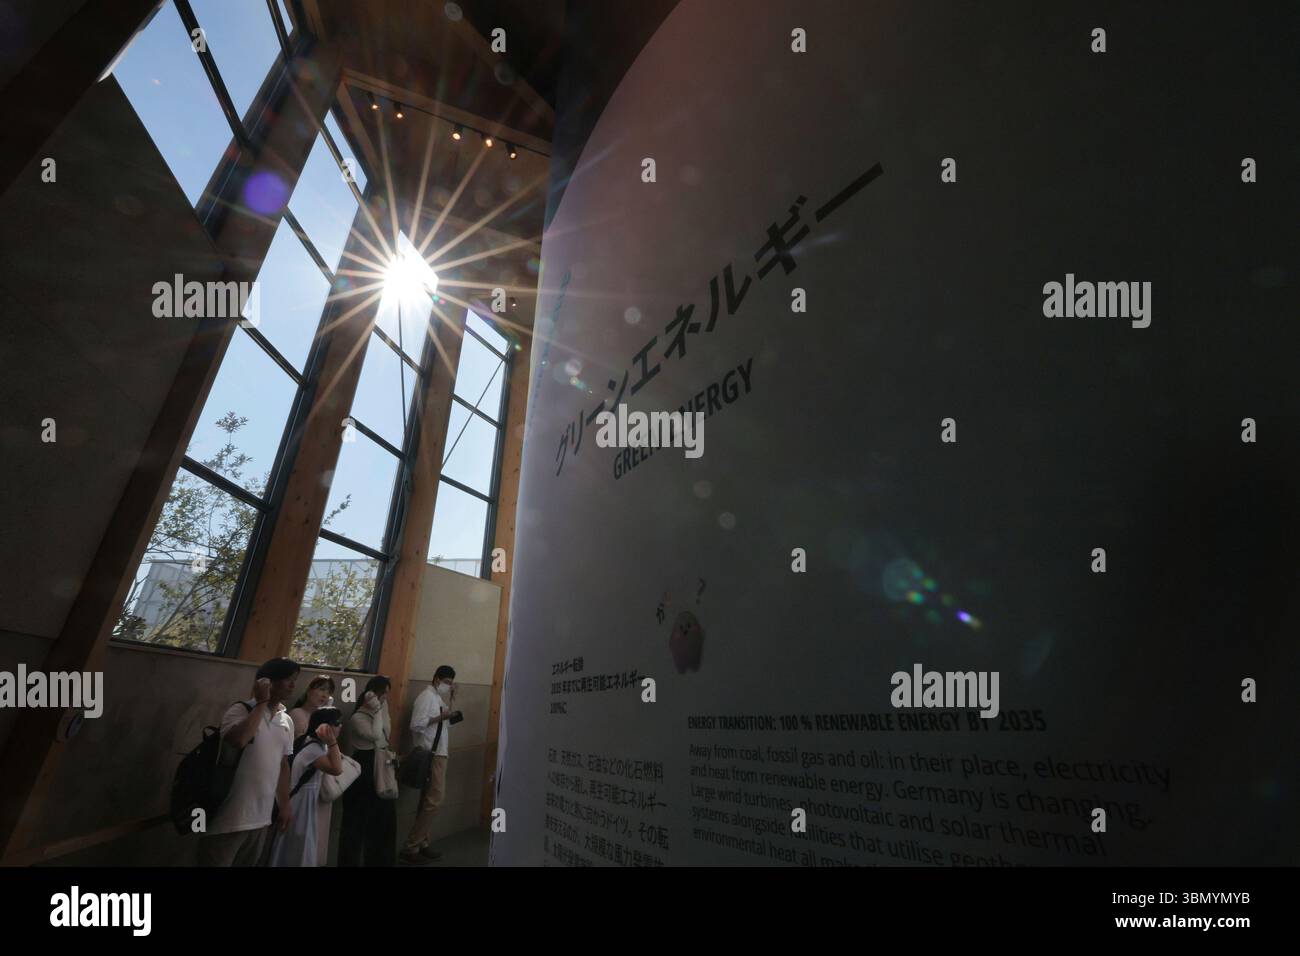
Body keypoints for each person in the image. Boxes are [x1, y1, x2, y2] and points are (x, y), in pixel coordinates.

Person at [197, 657, 299, 867]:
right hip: (228, 818)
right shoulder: (240, 710)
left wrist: (285, 804)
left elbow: (283, 765)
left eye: (294, 680)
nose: (292, 685)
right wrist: (261, 702)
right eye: (288, 679)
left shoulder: (286, 720)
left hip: (260, 820)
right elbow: (239, 740)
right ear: (268, 682)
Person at [399, 665, 461, 864]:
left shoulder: (437, 698)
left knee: (427, 800)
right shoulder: (426, 697)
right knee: (435, 799)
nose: (449, 686)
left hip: (439, 753)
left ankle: (422, 843)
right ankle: (411, 846)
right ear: (437, 680)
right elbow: (416, 724)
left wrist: (450, 706)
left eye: (451, 684)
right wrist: (441, 717)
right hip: (431, 754)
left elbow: (445, 722)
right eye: (447, 683)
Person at [268, 708, 343, 867]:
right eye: (337, 723)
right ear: (325, 726)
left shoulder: (308, 740)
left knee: (295, 847)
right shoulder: (314, 748)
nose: (341, 726)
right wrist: (332, 742)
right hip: (300, 805)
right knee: (298, 848)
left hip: (299, 801)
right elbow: (337, 768)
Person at [339, 676, 396, 866]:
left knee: (383, 819)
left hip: (382, 761)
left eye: (387, 694)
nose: (385, 698)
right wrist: (377, 709)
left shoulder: (382, 709)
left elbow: (386, 732)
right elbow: (375, 734)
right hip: (364, 766)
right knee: (358, 820)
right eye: (383, 694)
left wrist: (382, 708)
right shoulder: (357, 718)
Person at [289, 675, 338, 865]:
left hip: (321, 782)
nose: (324, 695)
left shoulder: (325, 719)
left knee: (318, 833)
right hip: (301, 784)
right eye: (321, 689)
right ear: (309, 690)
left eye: (328, 691)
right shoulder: (297, 714)